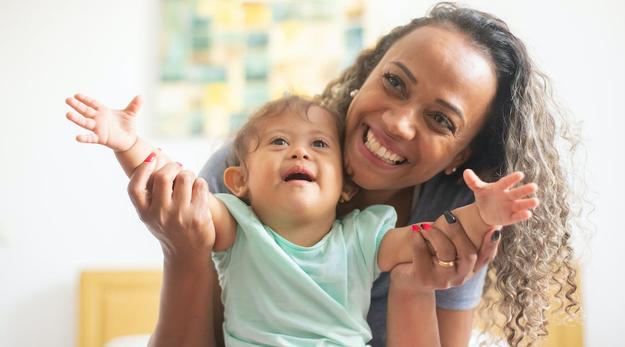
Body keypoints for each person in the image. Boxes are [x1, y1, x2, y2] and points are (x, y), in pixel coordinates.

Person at [122, 2, 580, 346]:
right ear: (367, 73)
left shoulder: (453, 210)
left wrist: (411, 286)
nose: (398, 123)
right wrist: (182, 251)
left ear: (462, 155)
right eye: (395, 82)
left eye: (440, 119)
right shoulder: (259, 168)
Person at [65, 92, 538, 345]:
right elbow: (174, 186)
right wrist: (128, 145)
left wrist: (483, 213)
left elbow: (432, 241)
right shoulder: (235, 225)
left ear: (345, 187)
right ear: (238, 180)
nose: (298, 150)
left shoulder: (363, 236)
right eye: (278, 143)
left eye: (318, 144)